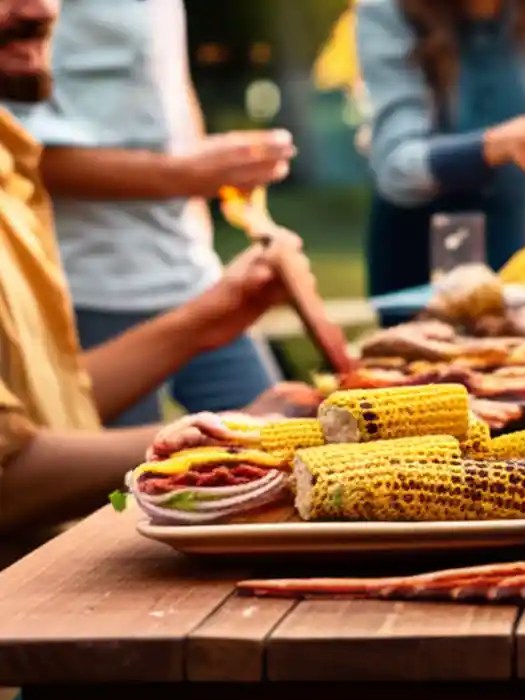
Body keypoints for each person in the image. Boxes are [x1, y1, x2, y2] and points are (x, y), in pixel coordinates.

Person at [0, 0, 317, 558]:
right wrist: (244, 431)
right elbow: (11, 478)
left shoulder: (11, 165)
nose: (45, 9)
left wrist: (204, 320)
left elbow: (43, 414)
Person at [357, 0, 525, 327]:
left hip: (511, 281)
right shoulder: (388, 13)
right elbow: (397, 167)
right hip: (423, 291)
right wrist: (495, 145)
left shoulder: (523, 18)